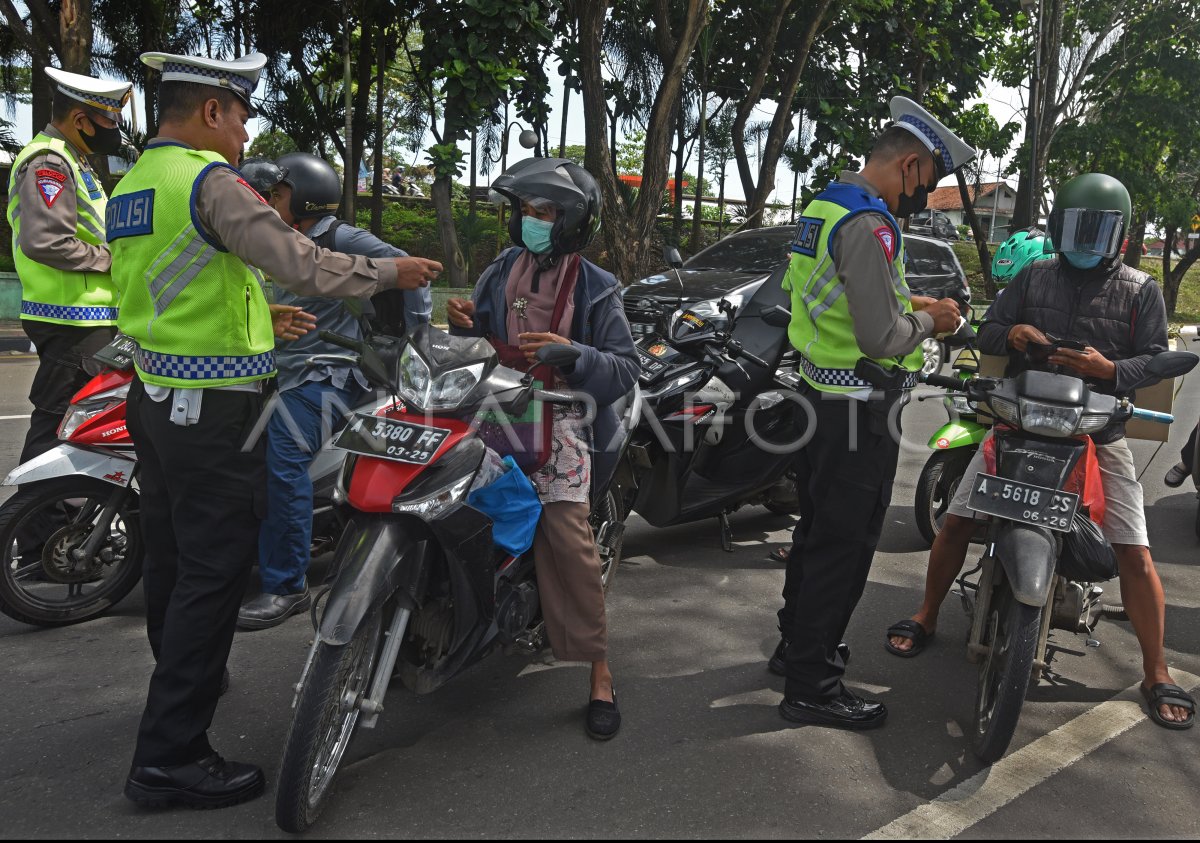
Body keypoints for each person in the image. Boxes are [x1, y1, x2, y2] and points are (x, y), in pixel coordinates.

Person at [108, 50, 441, 810]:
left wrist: (268, 318)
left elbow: (187, 280)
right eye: (240, 115)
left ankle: (183, 673)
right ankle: (170, 756)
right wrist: (391, 274)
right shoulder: (209, 182)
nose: (244, 132)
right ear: (212, 111)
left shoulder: (133, 183)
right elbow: (299, 261)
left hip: (155, 398)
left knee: (171, 557)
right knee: (214, 572)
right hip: (212, 409)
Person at [885, 172, 1195, 731]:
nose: (1085, 241)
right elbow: (989, 331)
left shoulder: (1140, 289)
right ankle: (926, 612)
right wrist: (1014, 334)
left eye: (1098, 231)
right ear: (1057, 228)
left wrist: (1110, 369)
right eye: (1077, 229)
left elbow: (1154, 360)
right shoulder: (1034, 275)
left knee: (1135, 551)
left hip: (1097, 433)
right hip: (1018, 423)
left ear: (1120, 235)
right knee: (956, 522)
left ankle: (1156, 669)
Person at [770, 96, 972, 731]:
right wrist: (934, 321)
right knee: (846, 545)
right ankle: (812, 685)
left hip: (817, 396)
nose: (925, 197)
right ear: (910, 166)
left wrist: (913, 301)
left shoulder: (826, 206)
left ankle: (795, 647)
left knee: (815, 533)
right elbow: (882, 336)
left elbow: (834, 294)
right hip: (858, 409)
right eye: (928, 182)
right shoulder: (871, 224)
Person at [445, 157, 638, 740]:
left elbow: (624, 368)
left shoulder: (598, 287)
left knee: (565, 533)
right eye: (526, 209)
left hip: (561, 415)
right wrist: (464, 324)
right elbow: (479, 335)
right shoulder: (501, 269)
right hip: (495, 406)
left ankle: (599, 671)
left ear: (572, 221)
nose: (530, 219)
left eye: (544, 211)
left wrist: (572, 354)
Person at [237, 151, 432, 629]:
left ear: (306, 198)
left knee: (284, 459)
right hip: (283, 369)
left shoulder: (340, 238)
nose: (269, 202)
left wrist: (416, 337)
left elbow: (411, 271)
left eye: (278, 194)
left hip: (330, 373)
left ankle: (287, 586)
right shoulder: (280, 238)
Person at [6, 67, 131, 463]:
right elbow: (46, 241)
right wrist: (112, 260)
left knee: (82, 423)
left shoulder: (74, 160)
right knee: (58, 422)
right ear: (81, 121)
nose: (115, 131)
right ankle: (37, 504)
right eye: (110, 121)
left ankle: (66, 500)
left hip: (84, 318)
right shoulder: (50, 162)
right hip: (69, 319)